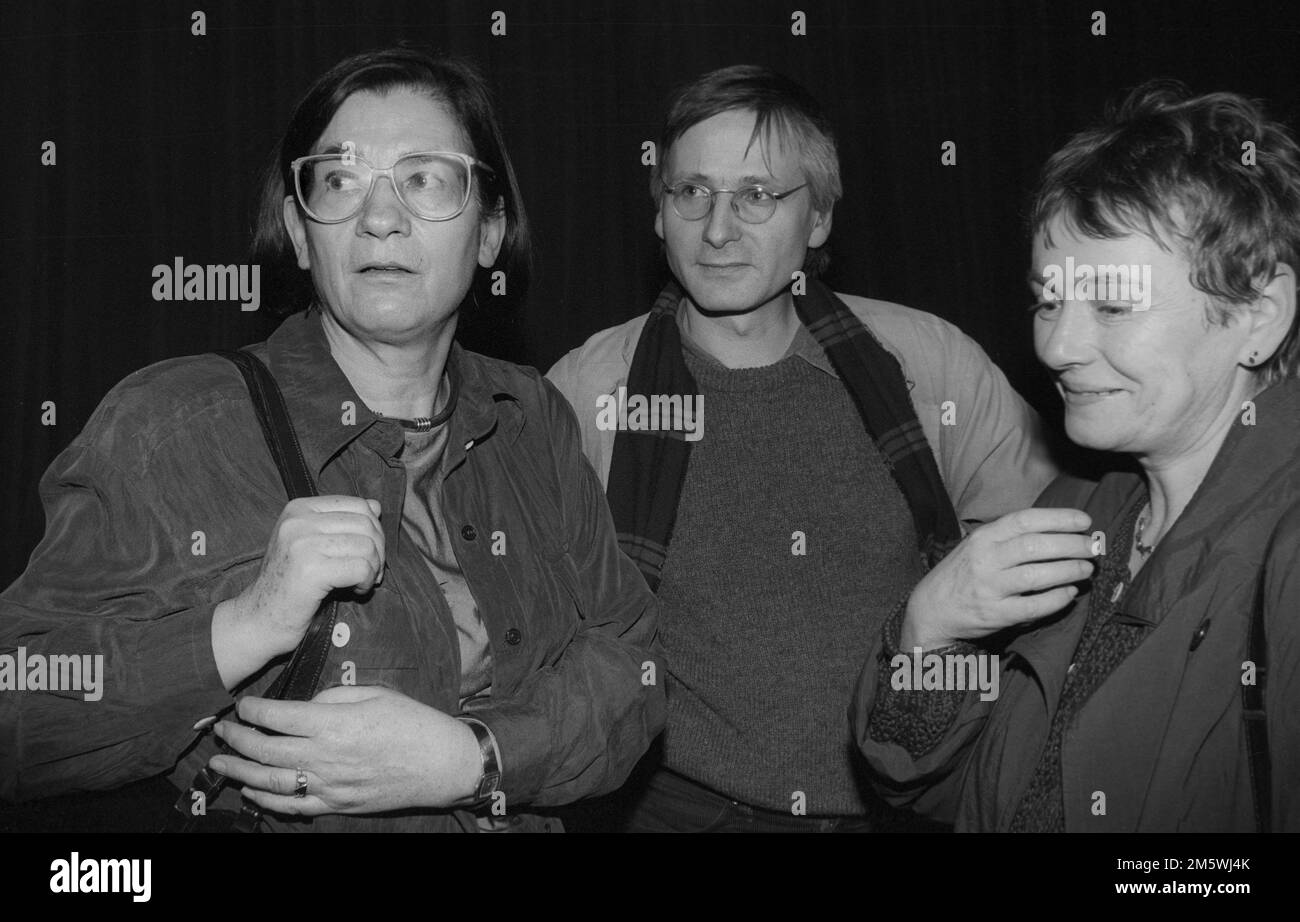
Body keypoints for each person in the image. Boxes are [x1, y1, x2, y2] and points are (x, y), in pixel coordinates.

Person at [0, 47, 664, 832]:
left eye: (425, 178)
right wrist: (247, 625)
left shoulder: (532, 416)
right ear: (298, 229)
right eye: (340, 181)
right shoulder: (171, 423)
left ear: (489, 231)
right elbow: (20, 711)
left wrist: (472, 759)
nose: (380, 217)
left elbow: (633, 667)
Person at [546, 64, 1056, 832]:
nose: (718, 229)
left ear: (817, 219)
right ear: (659, 214)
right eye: (692, 193)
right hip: (670, 810)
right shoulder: (588, 390)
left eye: (756, 195)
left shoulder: (924, 364)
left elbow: (1055, 551)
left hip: (910, 803)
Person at [853, 80, 1300, 832]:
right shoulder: (1081, 507)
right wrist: (928, 634)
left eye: (1113, 306)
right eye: (1047, 300)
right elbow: (938, 793)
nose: (1055, 347)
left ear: (1256, 316)